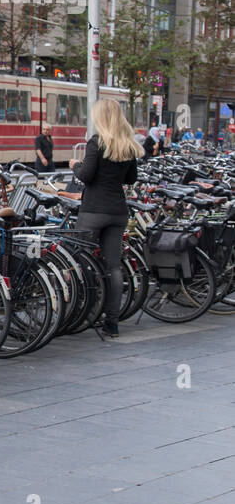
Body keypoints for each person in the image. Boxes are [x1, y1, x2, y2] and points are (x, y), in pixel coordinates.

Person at [71, 99, 144, 338]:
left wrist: (74, 164)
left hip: (93, 211)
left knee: (81, 261)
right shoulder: (127, 146)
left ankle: (82, 311)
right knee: (113, 266)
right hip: (117, 211)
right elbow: (131, 179)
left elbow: (85, 175)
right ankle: (111, 321)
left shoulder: (96, 143)